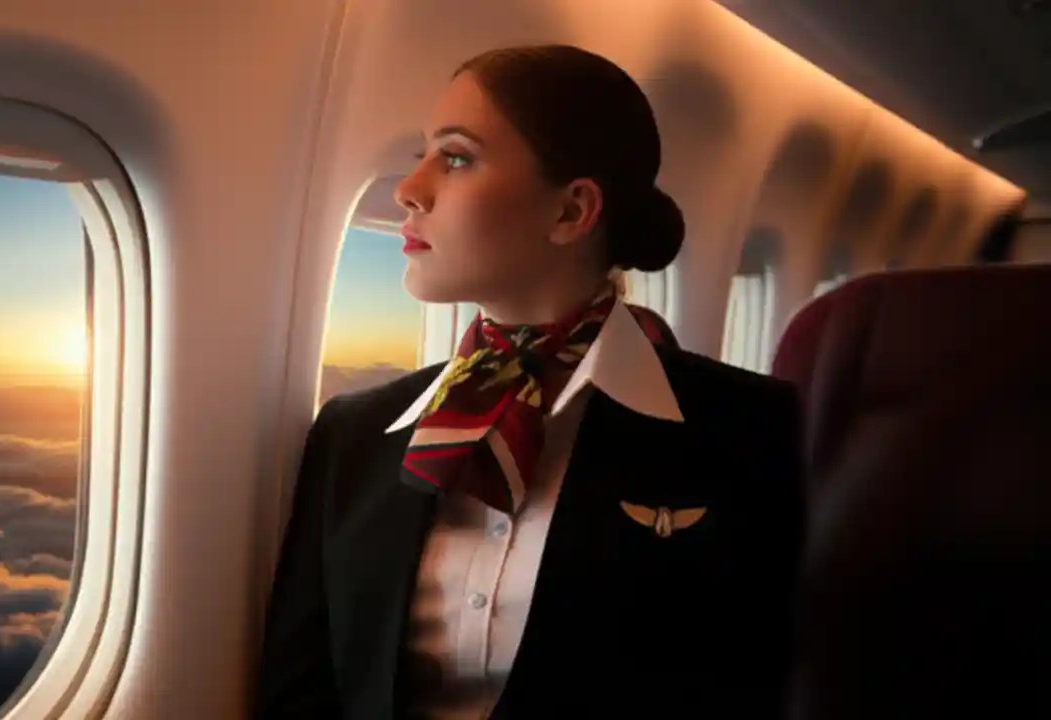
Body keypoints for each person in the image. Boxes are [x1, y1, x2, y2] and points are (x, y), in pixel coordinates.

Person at [255, 44, 805, 719]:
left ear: (571, 212)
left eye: (455, 157)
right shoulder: (354, 434)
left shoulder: (757, 430)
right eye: (421, 155)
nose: (409, 188)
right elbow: (300, 696)